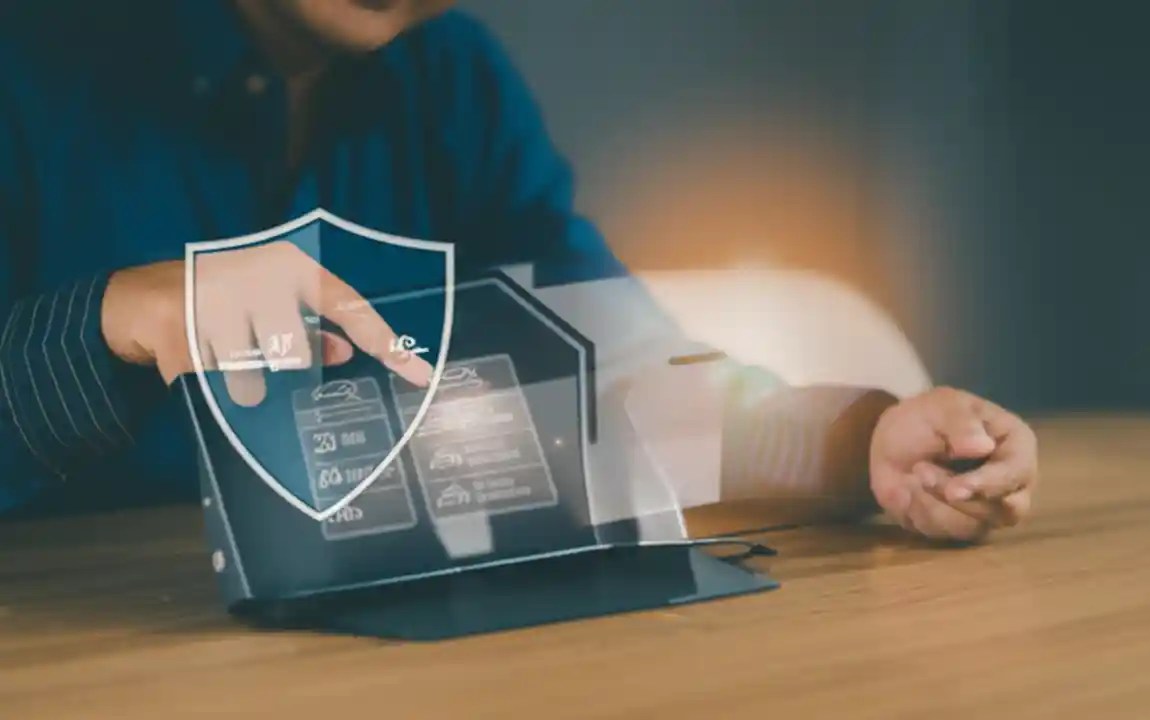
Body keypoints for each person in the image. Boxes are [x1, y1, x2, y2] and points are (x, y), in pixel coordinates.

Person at [0, 0, 1035, 541]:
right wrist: (98, 326)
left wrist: (860, 446)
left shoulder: (455, 82)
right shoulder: (30, 56)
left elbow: (616, 378)